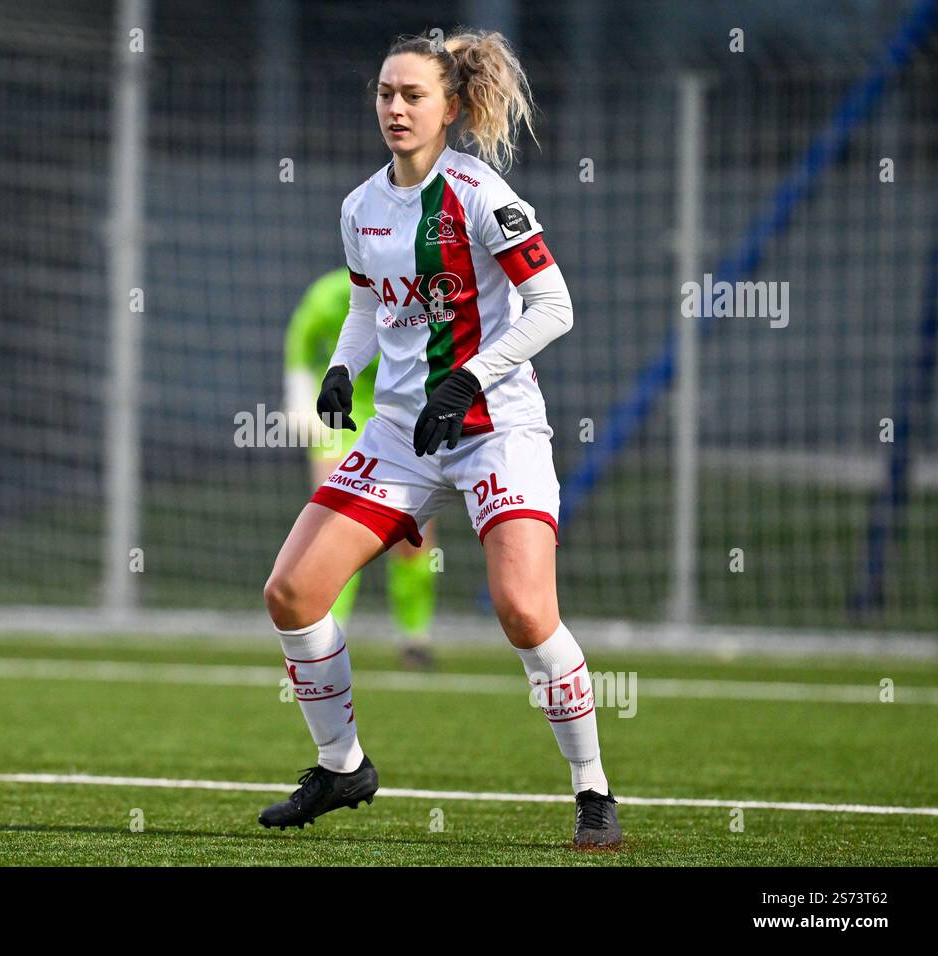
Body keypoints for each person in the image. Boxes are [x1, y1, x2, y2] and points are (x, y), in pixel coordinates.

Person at [259, 28, 621, 848]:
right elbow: (363, 308)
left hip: (497, 426)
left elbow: (555, 307)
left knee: (526, 613)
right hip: (400, 429)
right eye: (385, 93)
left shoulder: (481, 194)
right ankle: (343, 765)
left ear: (450, 108)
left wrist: (467, 380)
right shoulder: (360, 207)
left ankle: (593, 792)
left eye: (412, 95)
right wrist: (343, 372)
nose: (394, 107)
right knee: (291, 592)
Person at [283, 268, 440, 670]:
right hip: (342, 414)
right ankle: (326, 634)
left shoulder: (425, 291)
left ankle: (414, 637)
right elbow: (300, 341)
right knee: (334, 521)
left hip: (403, 413)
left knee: (414, 532)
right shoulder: (330, 294)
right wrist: (300, 397)